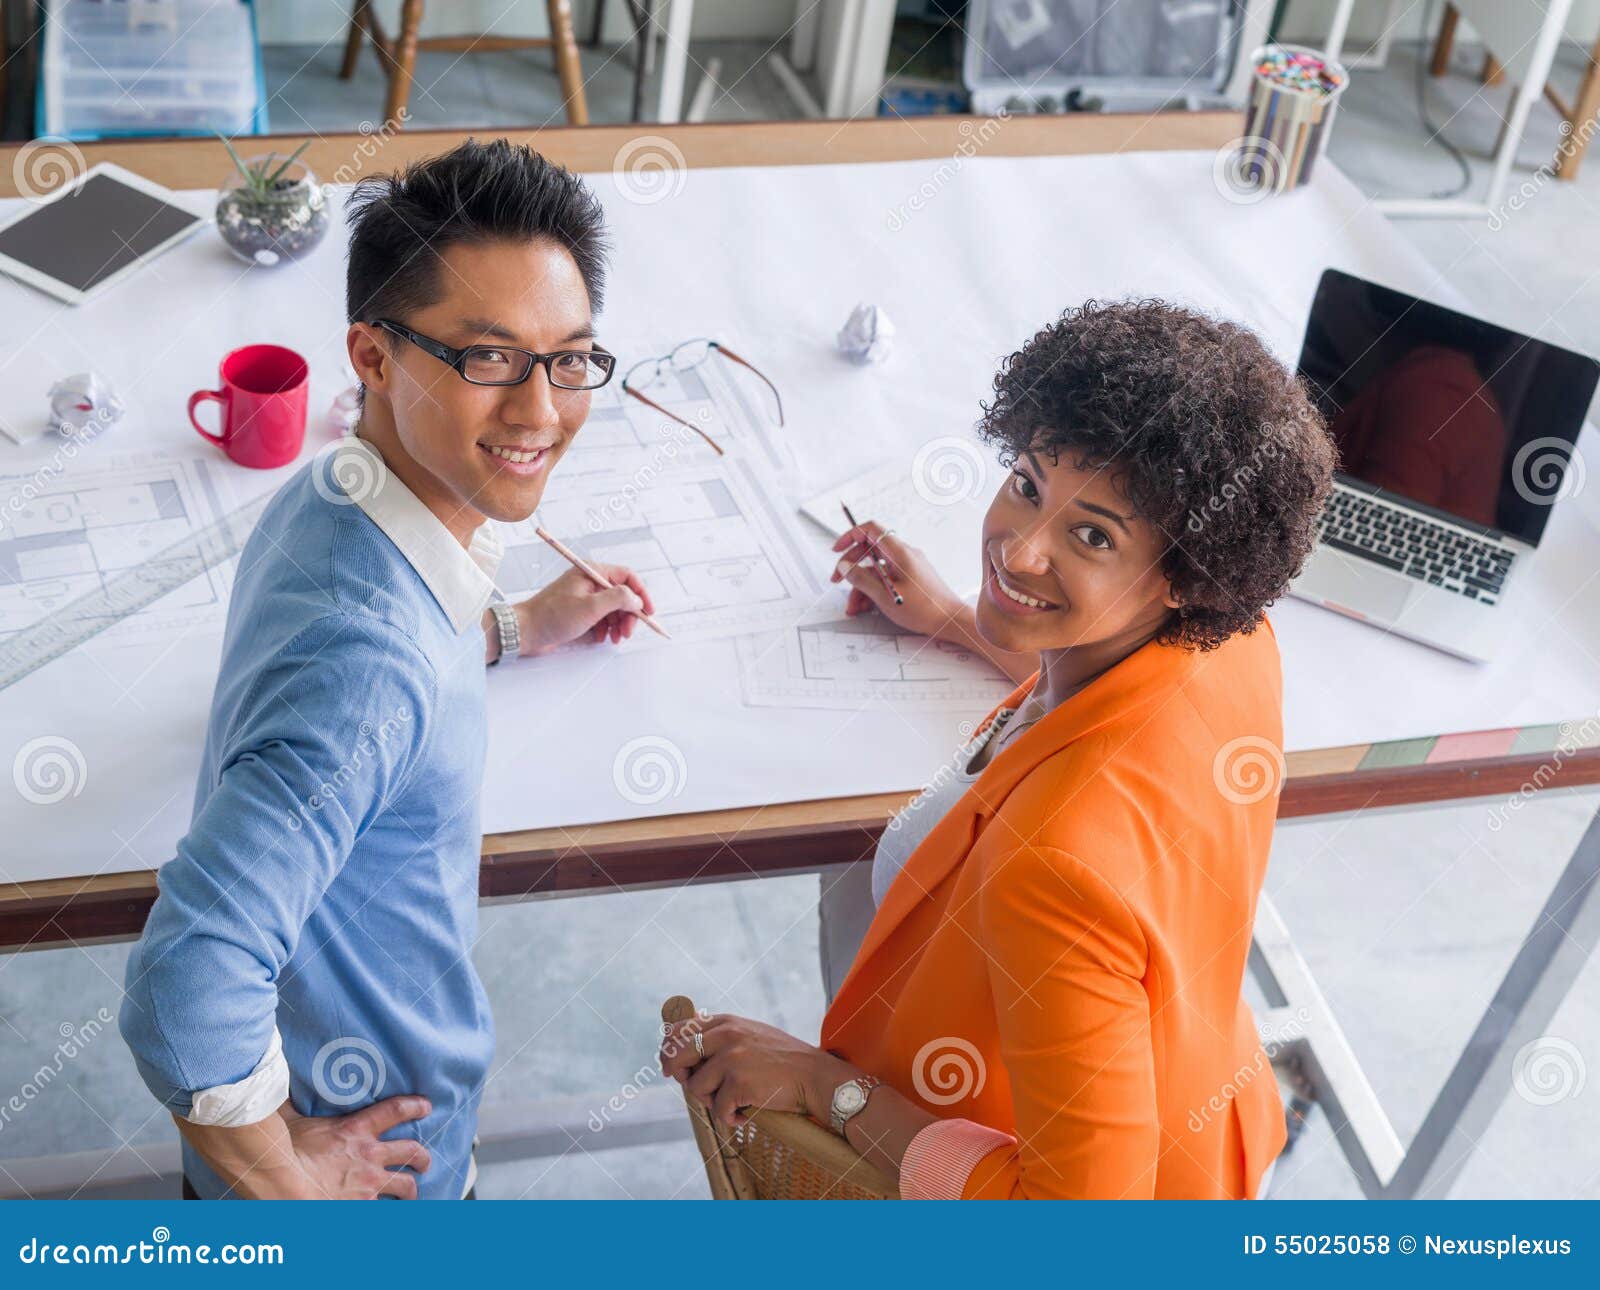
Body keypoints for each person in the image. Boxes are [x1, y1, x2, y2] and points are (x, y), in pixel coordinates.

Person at [660, 300, 1336, 1199]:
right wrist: (953, 618)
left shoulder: (1055, 867)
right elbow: (1101, 696)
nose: (1018, 551)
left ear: (1185, 577)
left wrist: (830, 1091)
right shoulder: (1231, 643)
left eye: (1091, 536)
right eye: (1026, 484)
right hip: (1201, 1119)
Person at [119, 139, 654, 1200]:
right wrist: (289, 1179)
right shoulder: (373, 668)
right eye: (487, 358)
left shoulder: (346, 490)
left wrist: (507, 629)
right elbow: (185, 983)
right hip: (371, 1171)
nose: (541, 411)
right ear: (370, 356)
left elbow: (378, 662)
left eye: (569, 358)